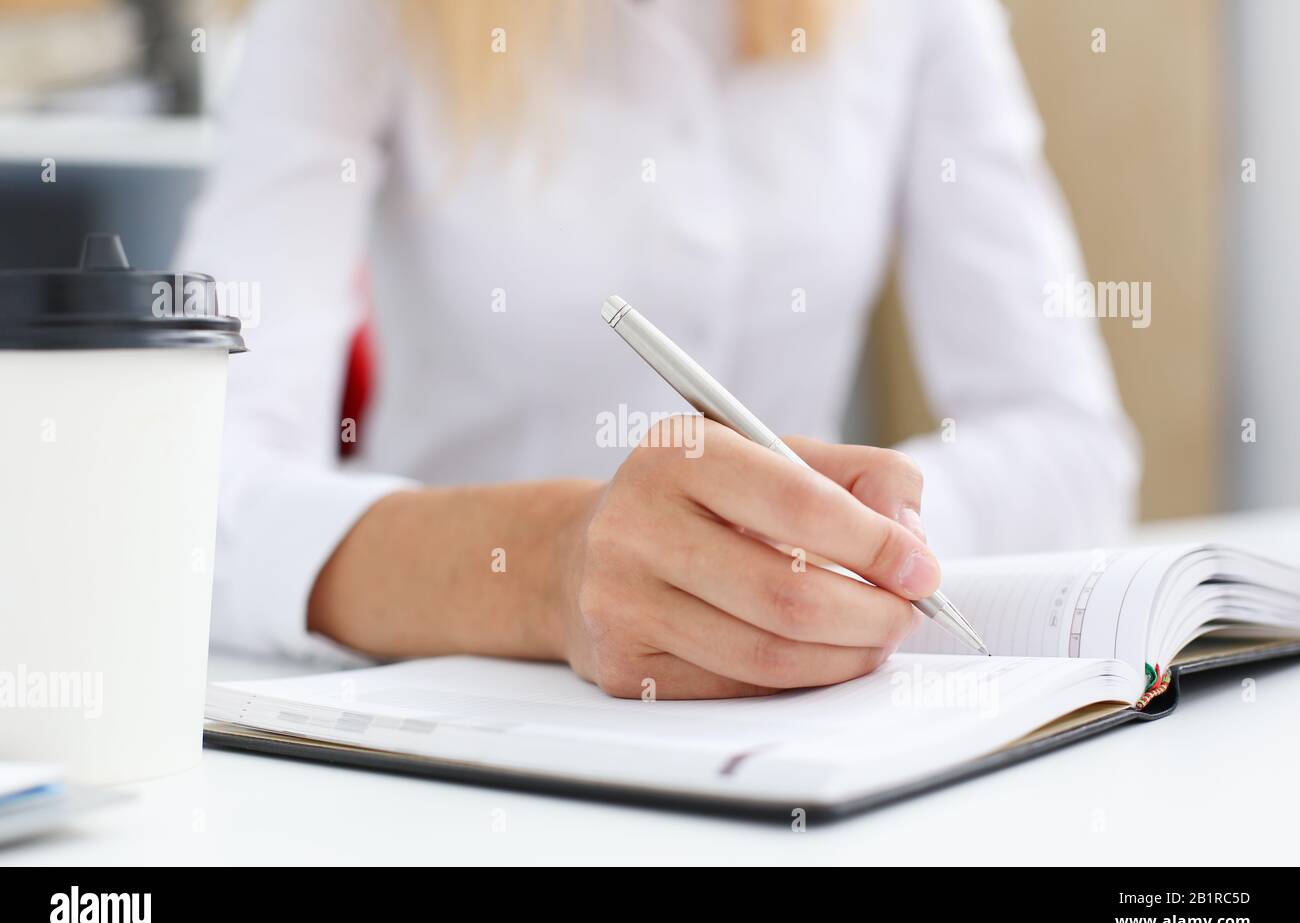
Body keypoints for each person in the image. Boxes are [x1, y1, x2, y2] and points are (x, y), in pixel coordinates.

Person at [177, 0, 1138, 698]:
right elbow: (189, 492)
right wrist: (545, 570)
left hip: (806, 731)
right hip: (446, 711)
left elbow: (1071, 442)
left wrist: (852, 544)